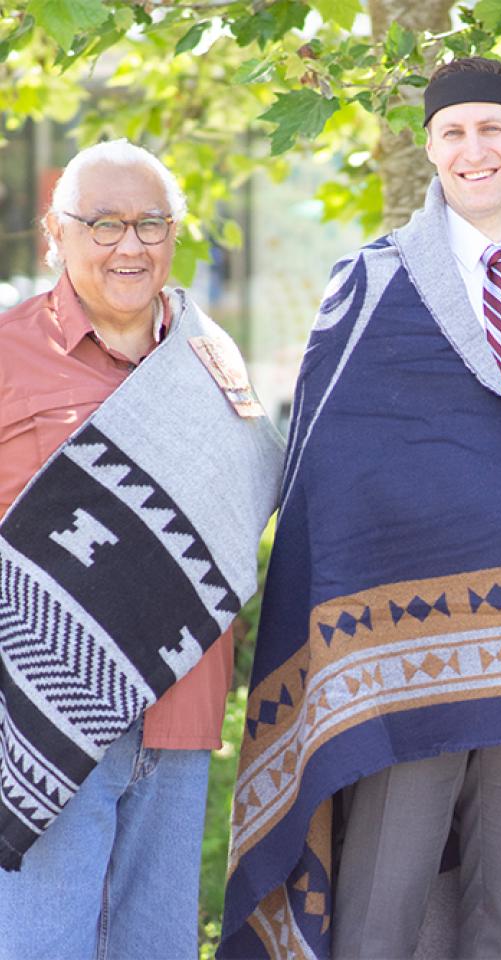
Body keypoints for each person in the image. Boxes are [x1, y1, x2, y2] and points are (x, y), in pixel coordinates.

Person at [218, 57, 501, 959]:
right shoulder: (370, 282)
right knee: (389, 887)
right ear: (429, 149)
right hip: (405, 643)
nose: (475, 148)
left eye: (492, 127)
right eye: (454, 132)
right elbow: (330, 461)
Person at [0, 139, 282, 958]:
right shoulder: (11, 354)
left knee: (152, 948)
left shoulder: (210, 356)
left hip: (181, 712)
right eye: (105, 225)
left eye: (151, 224)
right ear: (57, 232)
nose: (131, 246)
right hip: (41, 716)